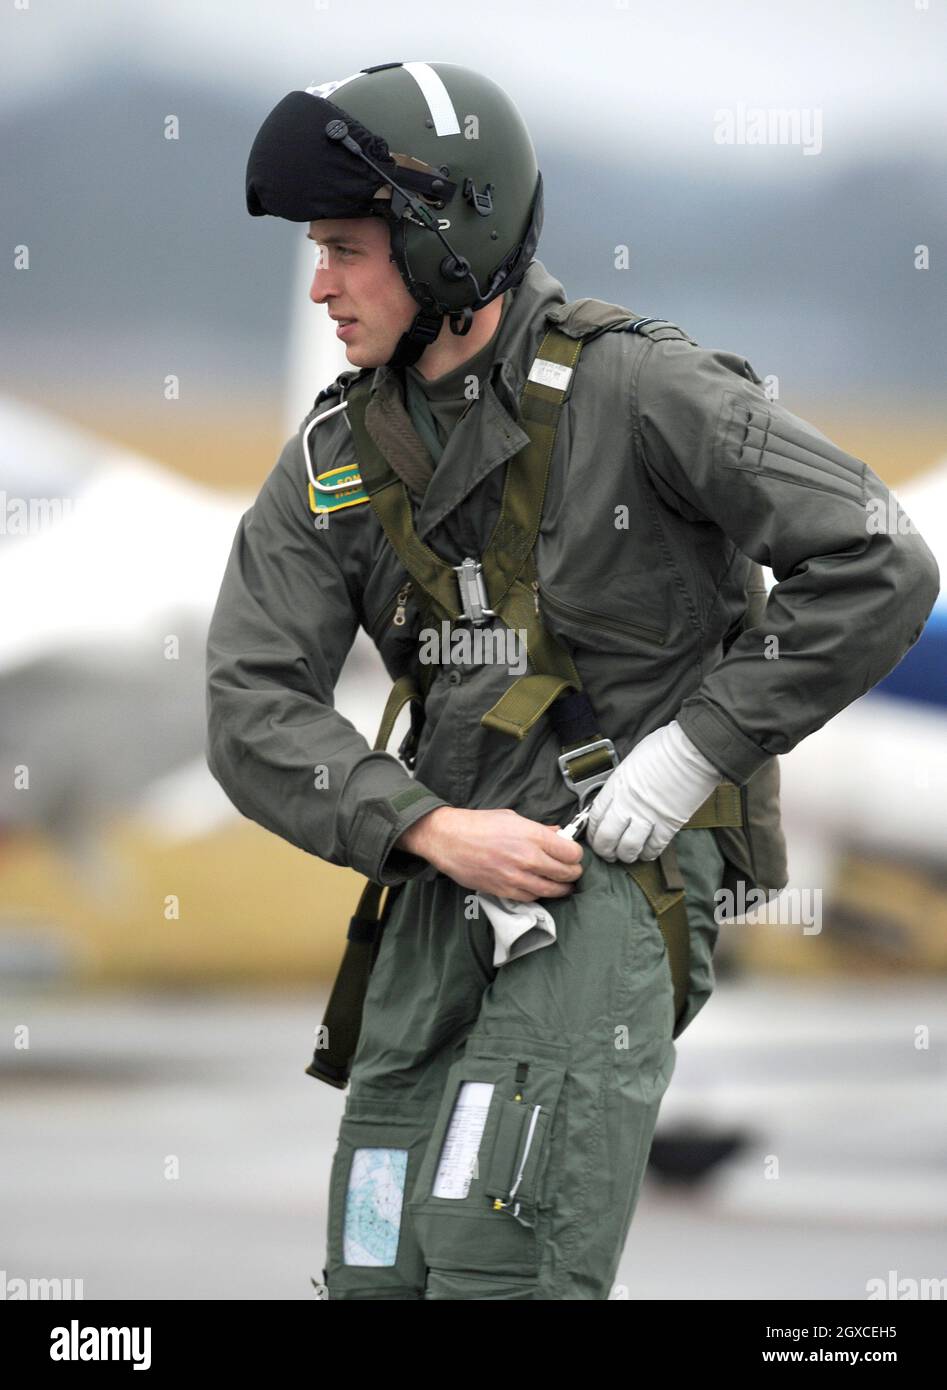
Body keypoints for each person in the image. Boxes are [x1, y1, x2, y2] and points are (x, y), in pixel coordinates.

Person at [206, 62, 940, 1300]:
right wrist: (430, 827)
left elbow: (875, 557)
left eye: (344, 248)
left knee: (499, 1255)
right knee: (378, 1260)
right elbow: (248, 705)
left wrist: (693, 748)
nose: (322, 282)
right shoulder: (333, 460)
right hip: (446, 875)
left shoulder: (643, 389)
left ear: (448, 239)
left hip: (616, 869)